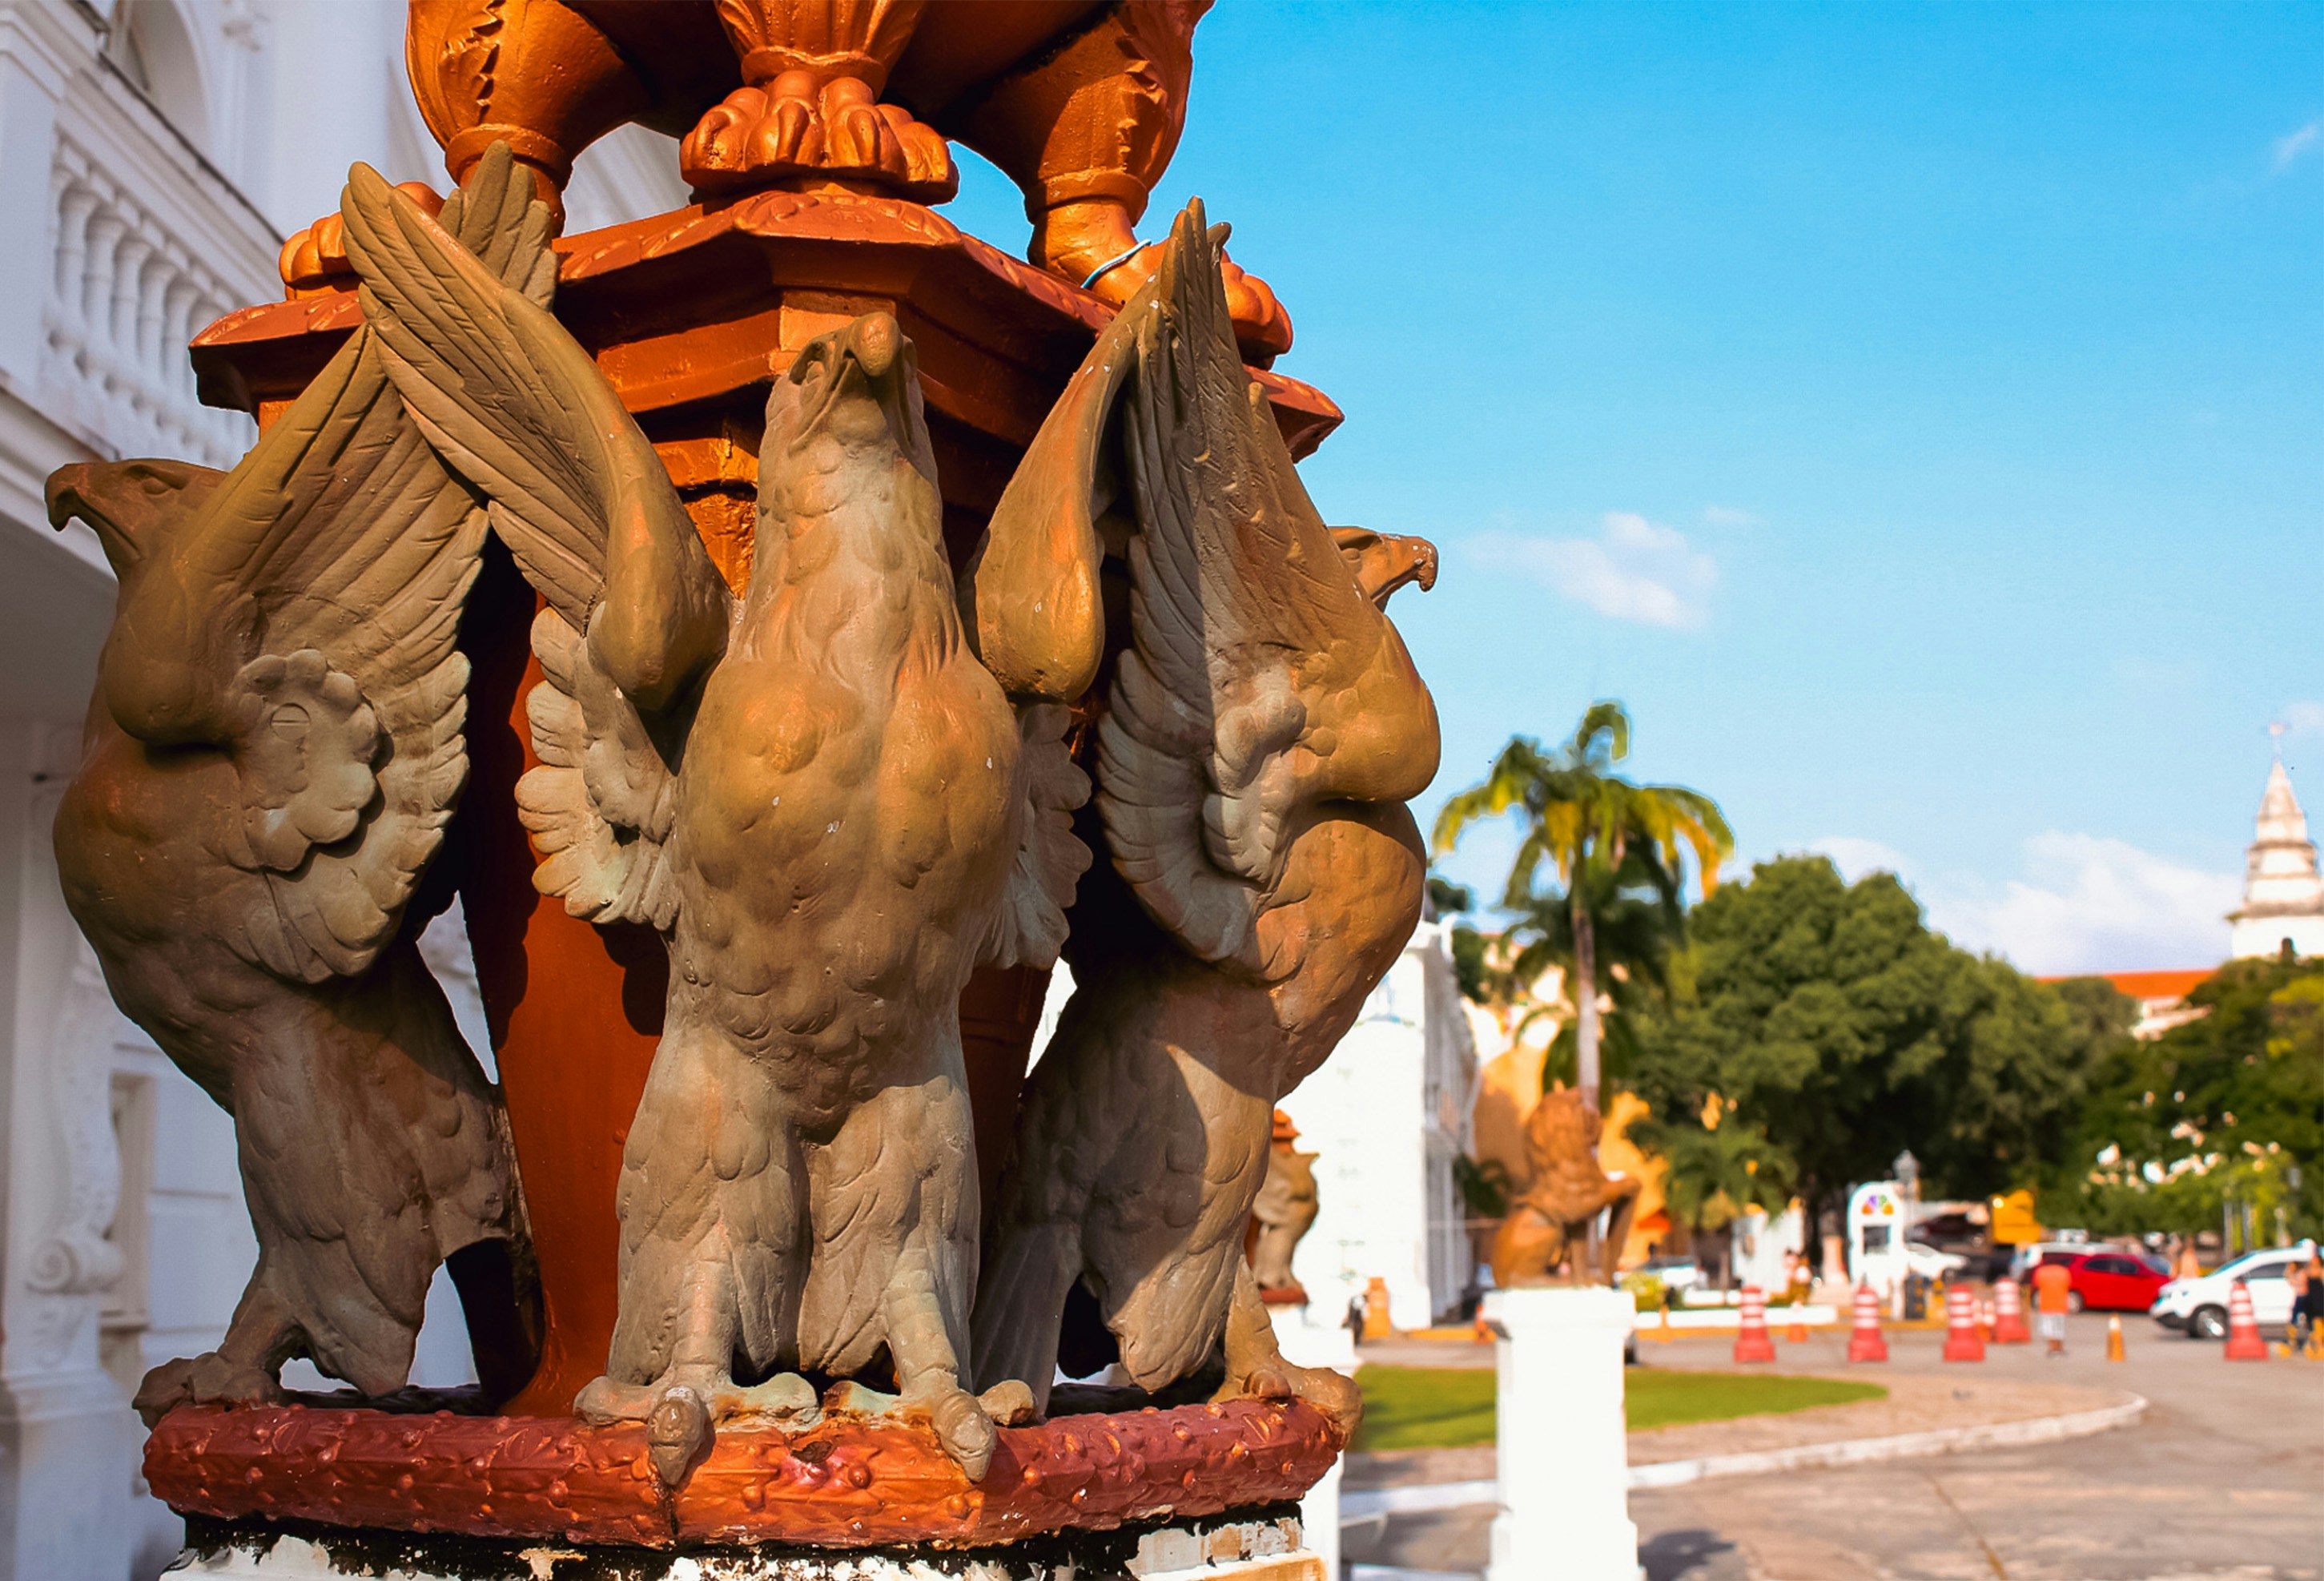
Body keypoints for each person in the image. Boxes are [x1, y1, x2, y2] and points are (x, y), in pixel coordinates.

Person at [2032, 1256, 2073, 1357]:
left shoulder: (2041, 1272)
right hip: (2060, 1304)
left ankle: (2052, 1349)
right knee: (2059, 1328)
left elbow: (2036, 1284)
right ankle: (2059, 1348)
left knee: (2050, 1328)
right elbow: (2069, 1285)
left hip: (2046, 1305)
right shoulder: (2064, 1271)